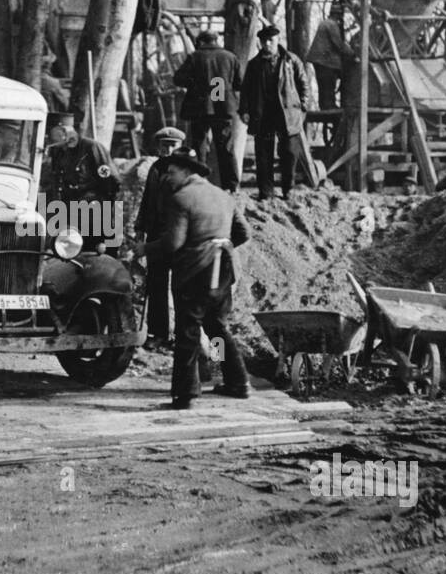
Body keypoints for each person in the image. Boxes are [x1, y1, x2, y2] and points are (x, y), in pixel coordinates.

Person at [142, 147, 251, 409]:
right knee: (217, 329)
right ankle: (238, 381)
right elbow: (243, 232)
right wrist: (221, 244)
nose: (166, 177)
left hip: (195, 273)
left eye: (170, 171)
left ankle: (186, 393)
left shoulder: (181, 198)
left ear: (186, 171)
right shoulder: (223, 196)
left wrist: (145, 249)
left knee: (187, 332)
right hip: (223, 271)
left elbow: (173, 243)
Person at [241, 25, 312, 198]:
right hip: (263, 113)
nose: (267, 44)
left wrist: (303, 105)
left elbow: (304, 84)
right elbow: (246, 90)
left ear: (278, 40)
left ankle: (288, 189)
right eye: (264, 41)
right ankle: (266, 192)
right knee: (263, 154)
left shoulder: (291, 61)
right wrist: (244, 110)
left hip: (287, 113)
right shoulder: (254, 65)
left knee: (289, 152)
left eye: (270, 40)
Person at [134, 126, 185, 346]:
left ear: (180, 146)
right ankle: (158, 333)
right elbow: (146, 202)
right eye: (164, 145)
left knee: (181, 287)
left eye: (172, 145)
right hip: (156, 236)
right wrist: (140, 231)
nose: (168, 149)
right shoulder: (155, 167)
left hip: (178, 236)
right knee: (156, 285)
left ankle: (182, 334)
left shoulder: (185, 170)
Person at [173, 30, 242, 192]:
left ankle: (200, 183)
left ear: (201, 42)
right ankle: (231, 186)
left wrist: (195, 82)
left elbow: (178, 79)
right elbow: (239, 83)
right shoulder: (230, 57)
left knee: (199, 146)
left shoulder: (195, 57)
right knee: (226, 147)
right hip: (223, 108)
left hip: (201, 108)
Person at [46, 113, 119, 248]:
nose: (50, 138)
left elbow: (112, 183)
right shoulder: (58, 152)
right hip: (70, 216)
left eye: (52, 133)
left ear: (63, 132)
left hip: (94, 216)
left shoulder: (92, 148)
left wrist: (107, 219)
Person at [306, 3, 353, 113]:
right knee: (328, 82)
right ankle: (328, 106)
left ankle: (325, 105)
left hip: (320, 60)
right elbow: (338, 44)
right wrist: (352, 53)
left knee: (324, 83)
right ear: (338, 15)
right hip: (325, 61)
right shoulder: (331, 25)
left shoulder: (325, 23)